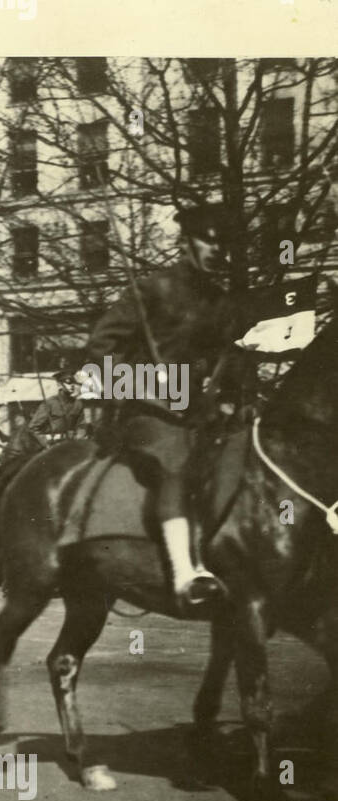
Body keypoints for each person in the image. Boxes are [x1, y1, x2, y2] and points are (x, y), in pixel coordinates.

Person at [83, 199, 246, 606]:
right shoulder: (151, 290)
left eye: (224, 244)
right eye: (210, 242)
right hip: (148, 412)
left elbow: (228, 356)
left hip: (199, 412)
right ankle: (185, 574)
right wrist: (146, 384)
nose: (218, 252)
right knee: (176, 459)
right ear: (187, 243)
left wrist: (232, 395)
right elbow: (100, 347)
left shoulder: (221, 301)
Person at [27, 368, 87, 449]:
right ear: (59, 385)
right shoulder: (50, 403)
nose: (72, 385)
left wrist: (79, 437)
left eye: (73, 382)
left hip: (72, 444)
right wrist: (45, 443)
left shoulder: (77, 404)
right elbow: (33, 427)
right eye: (68, 382)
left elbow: (81, 425)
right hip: (53, 445)